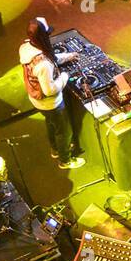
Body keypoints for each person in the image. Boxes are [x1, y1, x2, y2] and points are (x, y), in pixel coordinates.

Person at [19, 18, 85, 170]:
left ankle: (55, 149)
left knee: (51, 124)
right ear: (43, 37)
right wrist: (64, 77)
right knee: (64, 131)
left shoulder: (26, 47)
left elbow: (50, 58)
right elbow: (49, 90)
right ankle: (65, 160)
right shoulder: (43, 65)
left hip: (38, 102)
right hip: (51, 103)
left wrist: (68, 56)